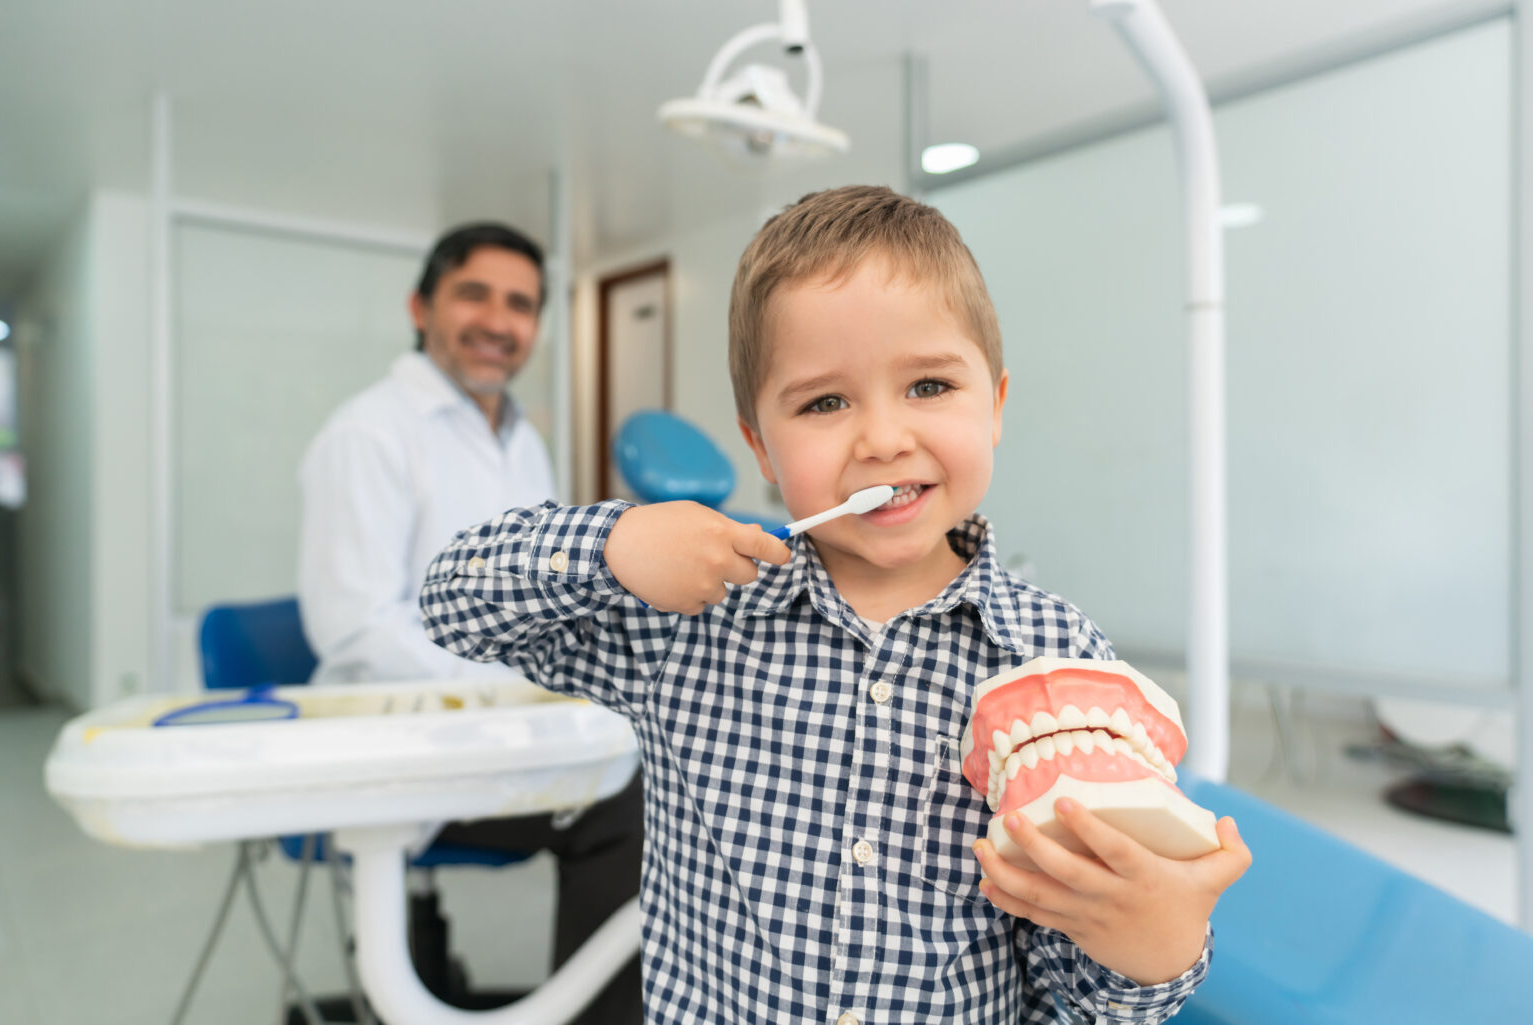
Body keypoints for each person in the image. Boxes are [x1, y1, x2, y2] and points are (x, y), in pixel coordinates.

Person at [418, 188, 1251, 1023]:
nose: (883, 438)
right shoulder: (691, 617)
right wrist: (615, 543)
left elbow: (1077, 995)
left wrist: (1151, 952)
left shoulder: (1058, 657)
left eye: (928, 385)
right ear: (761, 446)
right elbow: (452, 599)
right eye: (824, 402)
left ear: (993, 406)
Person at [297, 222, 641, 1025]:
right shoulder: (369, 434)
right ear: (421, 306)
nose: (499, 320)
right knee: (633, 802)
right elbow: (355, 630)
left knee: (661, 756)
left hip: (497, 731)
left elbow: (537, 595)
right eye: (474, 294)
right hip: (398, 745)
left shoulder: (519, 438)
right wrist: (519, 682)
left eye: (520, 304)